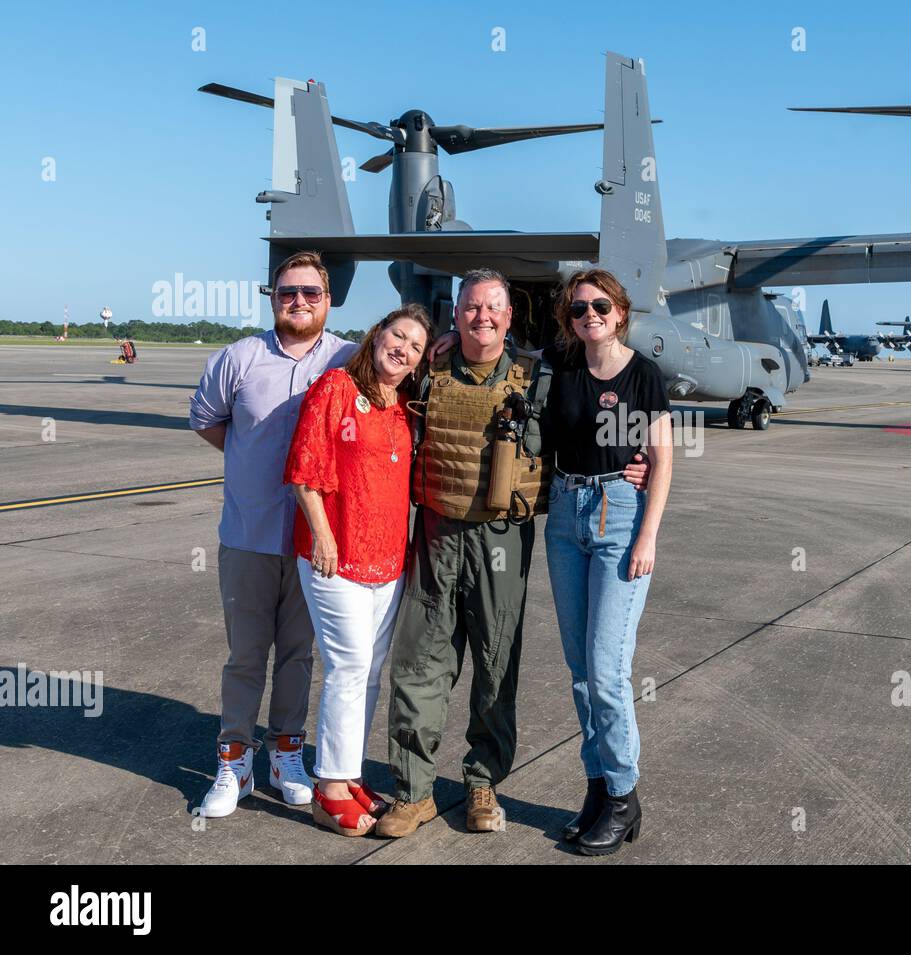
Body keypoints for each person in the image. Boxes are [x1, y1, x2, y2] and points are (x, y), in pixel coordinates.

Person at [378, 268, 648, 838]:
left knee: (496, 663)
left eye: (493, 308)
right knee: (421, 662)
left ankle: (482, 782)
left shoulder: (539, 372)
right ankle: (413, 791)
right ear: (456, 315)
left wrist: (637, 465)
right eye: (471, 308)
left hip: (502, 538)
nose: (482, 317)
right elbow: (374, 383)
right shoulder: (426, 369)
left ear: (509, 315)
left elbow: (594, 413)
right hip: (436, 531)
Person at [189, 251, 356, 817]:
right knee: (244, 655)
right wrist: (252, 463)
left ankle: (287, 750)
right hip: (249, 533)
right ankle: (234, 757)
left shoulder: (350, 361)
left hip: (318, 542)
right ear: (272, 296)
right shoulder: (237, 359)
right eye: (288, 291)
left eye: (311, 292)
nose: (299, 301)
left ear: (328, 300)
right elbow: (210, 421)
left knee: (300, 654)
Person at [284, 304, 430, 836]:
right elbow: (305, 469)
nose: (403, 349)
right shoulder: (336, 388)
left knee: (369, 671)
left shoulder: (404, 405)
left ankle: (348, 775)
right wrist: (322, 533)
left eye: (415, 346)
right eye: (398, 336)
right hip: (336, 556)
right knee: (348, 667)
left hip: (389, 560)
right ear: (376, 335)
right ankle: (328, 789)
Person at [542, 269, 673, 856]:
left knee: (607, 668)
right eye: (578, 309)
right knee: (577, 667)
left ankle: (624, 795)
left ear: (620, 312)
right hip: (565, 515)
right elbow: (498, 346)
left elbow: (664, 458)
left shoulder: (643, 375)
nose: (588, 315)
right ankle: (597, 790)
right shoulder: (564, 365)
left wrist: (648, 535)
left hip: (619, 515)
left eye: (600, 306)